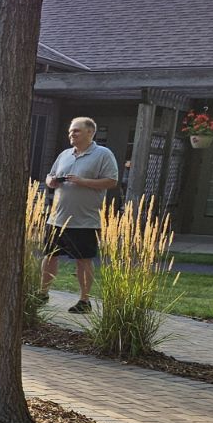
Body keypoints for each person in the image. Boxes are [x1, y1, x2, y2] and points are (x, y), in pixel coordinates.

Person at [41, 116, 119, 314]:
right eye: (70, 131)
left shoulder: (103, 154)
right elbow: (50, 175)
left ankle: (84, 301)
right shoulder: (65, 154)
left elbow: (111, 181)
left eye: (76, 131)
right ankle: (42, 293)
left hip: (84, 221)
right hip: (56, 218)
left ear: (90, 132)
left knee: (83, 259)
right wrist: (51, 181)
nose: (71, 134)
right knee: (49, 256)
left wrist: (83, 182)